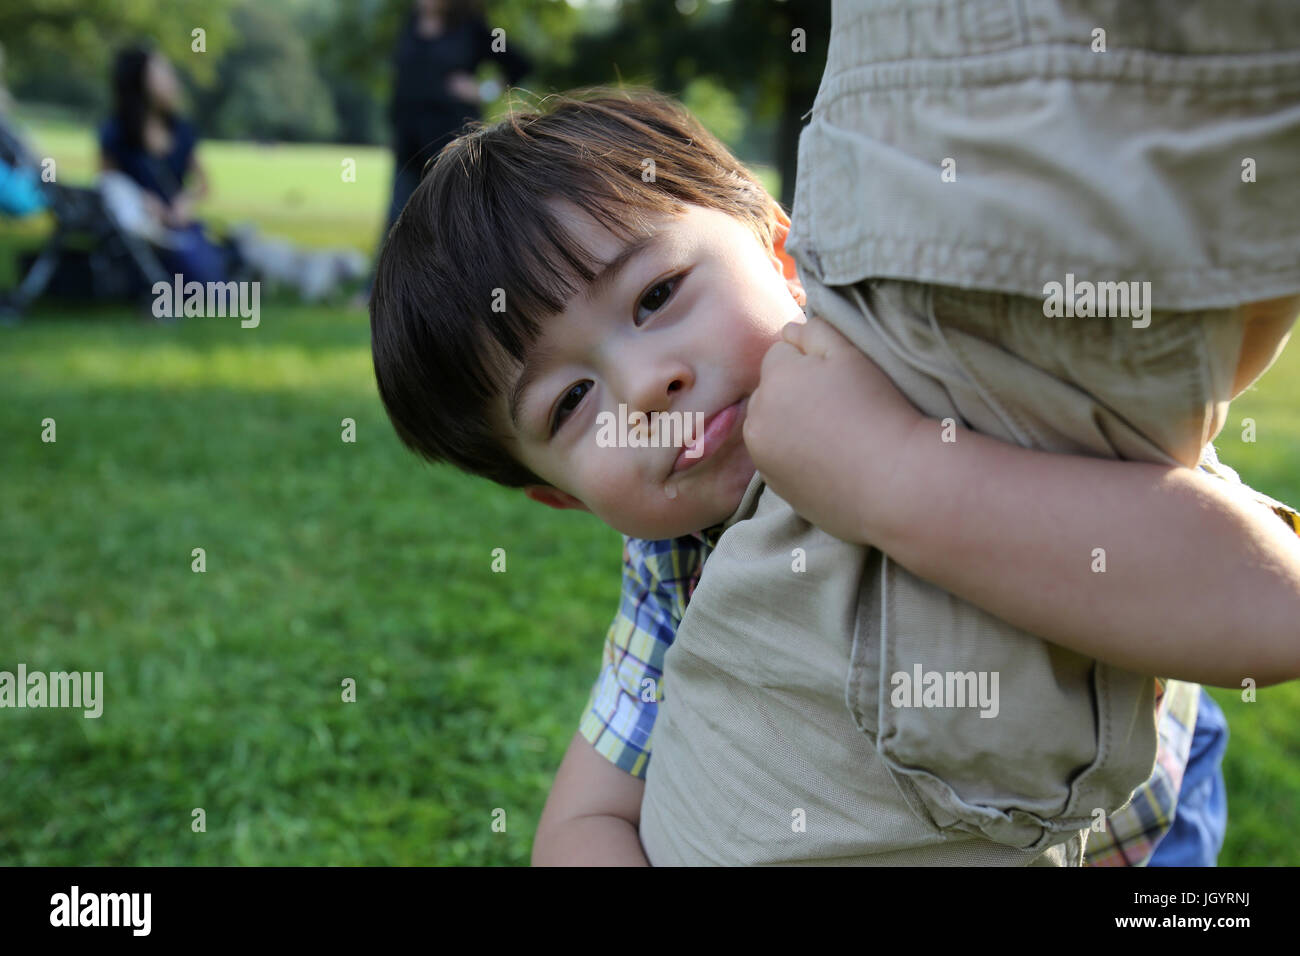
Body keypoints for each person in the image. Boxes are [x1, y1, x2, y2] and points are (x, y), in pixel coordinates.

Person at [368, 88, 1300, 865]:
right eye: (571, 403)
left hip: (1138, 822)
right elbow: (583, 821)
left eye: (657, 295)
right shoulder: (676, 569)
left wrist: (889, 475)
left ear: (782, 247)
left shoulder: (936, 372)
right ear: (561, 495)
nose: (648, 385)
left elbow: (1272, 609)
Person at [380, 0, 532, 249]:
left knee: (452, 220)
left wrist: (484, 90)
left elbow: (519, 64)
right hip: (407, 142)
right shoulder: (411, 24)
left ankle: (463, 283)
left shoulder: (471, 28)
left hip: (450, 141)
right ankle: (381, 286)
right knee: (398, 219)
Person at [99, 45, 233, 286]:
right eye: (162, 72)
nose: (172, 79)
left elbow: (203, 184)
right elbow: (109, 186)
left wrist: (186, 202)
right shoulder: (116, 132)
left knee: (206, 274)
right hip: (138, 233)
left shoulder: (181, 130)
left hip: (176, 225)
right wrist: (142, 201)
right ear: (139, 81)